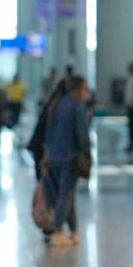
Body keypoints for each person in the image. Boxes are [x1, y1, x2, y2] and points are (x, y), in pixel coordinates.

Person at [42, 75, 91, 246]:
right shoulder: (77, 107)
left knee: (68, 195)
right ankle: (57, 230)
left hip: (55, 156)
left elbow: (48, 132)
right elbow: (82, 135)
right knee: (65, 194)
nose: (87, 92)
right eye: (85, 88)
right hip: (70, 157)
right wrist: (86, 151)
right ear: (78, 89)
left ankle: (74, 230)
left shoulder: (58, 104)